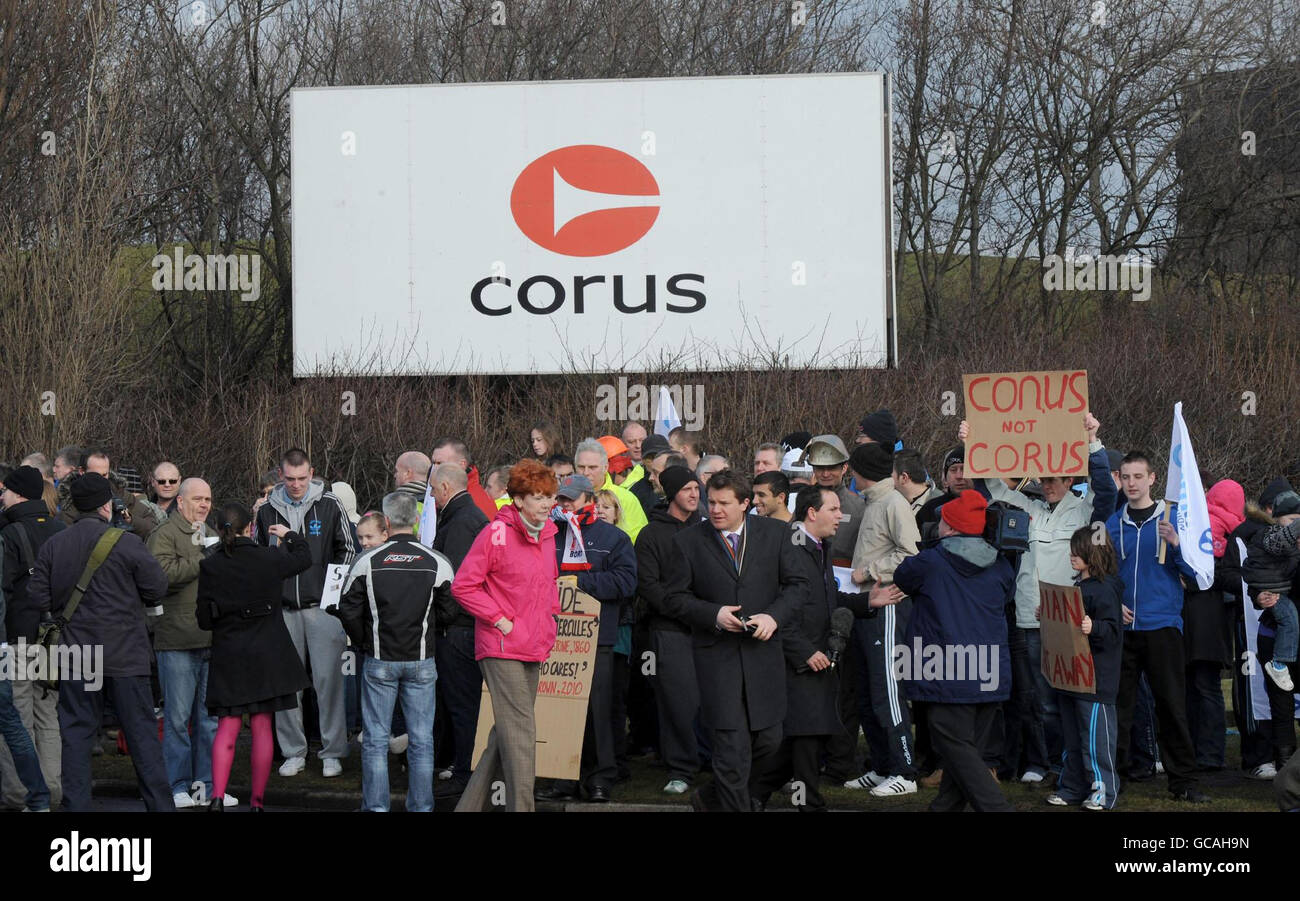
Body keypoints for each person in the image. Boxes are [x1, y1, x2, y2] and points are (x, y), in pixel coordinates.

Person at [957, 413, 1115, 782]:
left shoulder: (1085, 511)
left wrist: (1093, 439)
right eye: (1043, 478)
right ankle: (1050, 766)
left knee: (1073, 697)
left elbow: (1107, 491)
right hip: (1030, 619)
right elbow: (990, 488)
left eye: (1055, 479)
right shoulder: (1028, 510)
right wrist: (971, 443)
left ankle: (1076, 767)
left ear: (1071, 479)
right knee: (1041, 701)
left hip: (1072, 621)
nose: (1047, 485)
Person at [662, 470, 809, 812]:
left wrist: (774, 616)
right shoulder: (687, 541)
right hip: (718, 661)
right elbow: (673, 598)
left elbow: (798, 586)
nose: (714, 509)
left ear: (745, 504)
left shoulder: (776, 534)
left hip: (764, 657)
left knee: (769, 742)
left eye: (723, 503)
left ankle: (709, 797)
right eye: (710, 502)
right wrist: (713, 614)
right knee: (731, 752)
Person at [750, 485, 902, 812]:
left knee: (803, 738)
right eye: (833, 509)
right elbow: (779, 609)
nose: (840, 515)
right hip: (796, 660)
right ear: (812, 512)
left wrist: (867, 601)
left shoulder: (820, 547)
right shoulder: (789, 549)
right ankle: (809, 805)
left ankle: (739, 797)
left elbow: (828, 600)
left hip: (818, 658)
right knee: (806, 735)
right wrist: (803, 651)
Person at [27, 472, 172, 811]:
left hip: (79, 656)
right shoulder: (128, 543)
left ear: (74, 506)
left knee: (76, 737)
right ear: (107, 504)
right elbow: (157, 588)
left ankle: (76, 813)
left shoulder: (54, 544)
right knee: (142, 739)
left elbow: (38, 598)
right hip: (125, 655)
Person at [893, 489, 1015, 812]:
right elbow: (1008, 593)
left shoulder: (932, 561)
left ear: (950, 527)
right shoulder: (1001, 564)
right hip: (990, 672)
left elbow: (901, 576)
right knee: (963, 753)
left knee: (957, 749)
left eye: (943, 522)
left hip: (948, 672)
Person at [335, 492, 455, 812]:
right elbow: (451, 609)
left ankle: (376, 808)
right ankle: (421, 807)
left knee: (375, 740)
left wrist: (363, 640)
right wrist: (427, 629)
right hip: (420, 660)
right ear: (415, 520)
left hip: (380, 659)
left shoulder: (367, 560)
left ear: (386, 523)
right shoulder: (437, 561)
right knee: (421, 740)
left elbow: (346, 608)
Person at [454, 460, 559, 813]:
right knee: (522, 734)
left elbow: (545, 588)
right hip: (501, 646)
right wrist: (500, 620)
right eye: (536, 496)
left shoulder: (547, 534)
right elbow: (463, 586)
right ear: (517, 499)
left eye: (549, 496)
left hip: (534, 643)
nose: (545, 503)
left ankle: (469, 807)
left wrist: (551, 623)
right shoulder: (495, 534)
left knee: (507, 734)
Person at [1106, 450, 1209, 802]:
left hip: (1163, 626)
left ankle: (1183, 782)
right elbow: (1103, 576)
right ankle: (1113, 780)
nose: (1132, 483)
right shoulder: (1110, 524)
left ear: (1152, 479)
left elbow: (1197, 576)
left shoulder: (1172, 519)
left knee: (1171, 706)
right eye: (1125, 477)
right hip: (1124, 630)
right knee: (1119, 708)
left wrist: (1178, 545)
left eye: (1138, 476)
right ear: (1118, 480)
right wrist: (1113, 605)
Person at [197, 503, 313, 812]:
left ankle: (217, 797)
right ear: (251, 527)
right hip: (266, 652)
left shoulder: (210, 565)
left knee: (227, 727)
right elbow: (305, 557)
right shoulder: (269, 558)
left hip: (230, 652)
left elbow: (204, 620)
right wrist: (290, 535)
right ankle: (258, 802)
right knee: (262, 727)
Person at [255, 447, 357, 778]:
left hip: (321, 608)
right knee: (287, 685)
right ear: (280, 475)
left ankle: (332, 750)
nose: (296, 484)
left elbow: (348, 548)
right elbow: (257, 554)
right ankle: (293, 751)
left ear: (311, 473)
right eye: (290, 478)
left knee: (328, 682)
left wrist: (331, 594)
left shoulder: (330, 505)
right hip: (283, 609)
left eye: (302, 478)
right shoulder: (268, 510)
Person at [536, 475, 637, 803]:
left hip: (597, 636)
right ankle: (563, 777)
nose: (564, 505)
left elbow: (626, 583)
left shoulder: (614, 538)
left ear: (589, 499)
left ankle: (600, 777)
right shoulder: (549, 535)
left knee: (598, 711)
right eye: (560, 500)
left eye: (570, 500)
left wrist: (577, 583)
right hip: (553, 637)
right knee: (559, 709)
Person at [146, 477, 230, 808]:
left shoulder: (211, 532)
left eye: (208, 498)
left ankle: (206, 785)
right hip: (177, 640)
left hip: (211, 638)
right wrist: (204, 558)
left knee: (209, 720)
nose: (204, 504)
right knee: (178, 720)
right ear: (180, 502)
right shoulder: (163, 534)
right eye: (198, 499)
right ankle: (176, 785)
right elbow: (160, 577)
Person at [844, 441, 920, 797]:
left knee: (887, 691)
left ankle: (906, 771)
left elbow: (910, 554)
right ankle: (881, 765)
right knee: (865, 691)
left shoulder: (893, 503)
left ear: (859, 472)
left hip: (887, 608)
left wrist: (869, 571)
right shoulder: (873, 501)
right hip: (865, 607)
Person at [635, 465, 703, 795]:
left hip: (708, 629)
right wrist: (684, 610)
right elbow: (648, 585)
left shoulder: (706, 529)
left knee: (713, 700)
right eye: (687, 488)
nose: (694, 494)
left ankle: (713, 762)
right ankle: (680, 767)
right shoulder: (651, 535)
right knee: (677, 701)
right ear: (672, 492)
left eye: (696, 488)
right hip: (669, 630)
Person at [0, 466, 65, 810]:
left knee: (16, 715)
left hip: (18, 636)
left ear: (18, 494)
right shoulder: (60, 528)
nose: (1, 496)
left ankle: (19, 794)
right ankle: (52, 789)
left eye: (5, 491)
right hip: (56, 638)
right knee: (47, 714)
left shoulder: (9, 533)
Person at [1046, 527, 1124, 810]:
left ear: (1093, 553)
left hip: (1096, 681)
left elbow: (1114, 631)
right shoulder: (1078, 587)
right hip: (1072, 679)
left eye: (1077, 549)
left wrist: (1095, 627)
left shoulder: (1105, 589)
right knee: (1073, 738)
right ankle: (1072, 787)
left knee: (1095, 740)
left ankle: (1105, 790)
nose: (1072, 555)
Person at [429, 461, 490, 797]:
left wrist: (446, 620)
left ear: (446, 489)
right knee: (458, 703)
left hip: (460, 630)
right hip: (461, 627)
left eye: (436, 492)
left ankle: (465, 774)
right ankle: (457, 765)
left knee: (461, 703)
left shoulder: (463, 522)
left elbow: (453, 581)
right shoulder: (466, 517)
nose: (434, 499)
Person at [0, 576, 51, 810]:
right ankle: (41, 796)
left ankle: (25, 794)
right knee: (16, 722)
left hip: (16, 639)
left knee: (14, 720)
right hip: (14, 642)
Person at [1243, 490, 1300, 691]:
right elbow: (1280, 542)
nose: (1295, 524)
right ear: (1275, 518)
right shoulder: (1269, 535)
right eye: (1292, 519)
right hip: (1275, 601)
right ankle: (1280, 663)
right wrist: (1258, 595)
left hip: (1282, 594)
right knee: (1289, 618)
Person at [573, 438, 648, 540]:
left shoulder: (625, 498)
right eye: (581, 467)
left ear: (605, 467)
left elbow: (638, 539)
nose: (586, 472)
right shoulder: (565, 499)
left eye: (592, 467)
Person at [804, 434, 862, 564]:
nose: (825, 474)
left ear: (844, 468)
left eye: (831, 468)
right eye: (820, 468)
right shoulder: (804, 503)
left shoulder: (860, 507)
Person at [431, 437, 499, 521]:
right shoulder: (438, 493)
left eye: (440, 463)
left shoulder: (477, 502)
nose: (434, 469)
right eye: (433, 463)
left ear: (462, 464)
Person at [893, 449, 940, 515]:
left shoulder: (938, 507)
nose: (885, 479)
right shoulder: (897, 504)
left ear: (904, 477)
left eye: (889, 475)